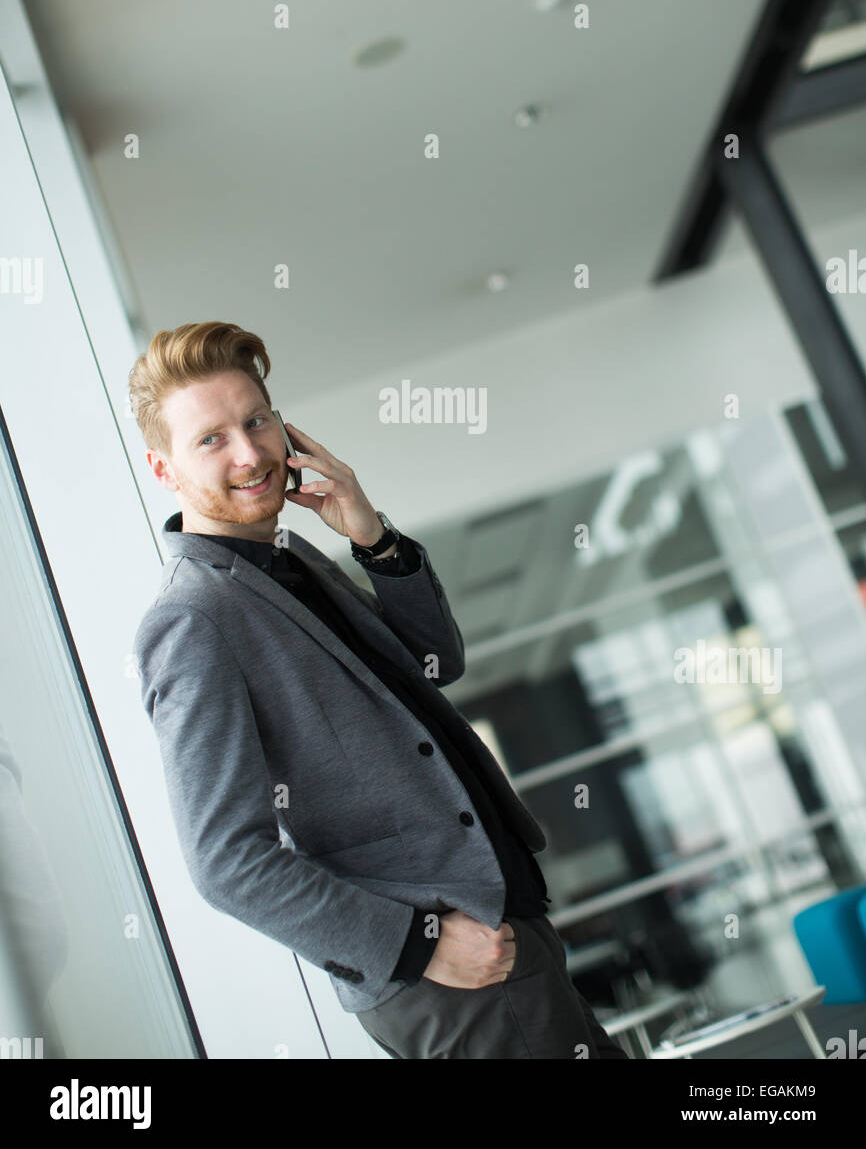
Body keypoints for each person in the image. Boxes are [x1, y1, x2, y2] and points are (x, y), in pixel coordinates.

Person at [130, 320, 628, 1060]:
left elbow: (435, 662)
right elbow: (225, 861)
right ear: (164, 469)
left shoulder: (291, 561)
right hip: (451, 975)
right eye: (211, 439)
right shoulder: (193, 617)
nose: (249, 452)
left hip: (509, 932)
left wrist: (370, 537)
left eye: (257, 420)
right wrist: (418, 947)